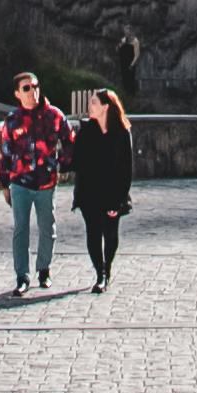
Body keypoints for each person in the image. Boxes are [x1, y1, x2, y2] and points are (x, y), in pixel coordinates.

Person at [0, 72, 69, 293]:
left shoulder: (54, 115)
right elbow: (5, 154)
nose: (33, 91)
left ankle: (44, 269)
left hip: (46, 183)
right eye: (26, 88)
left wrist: (62, 163)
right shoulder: (12, 120)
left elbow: (70, 140)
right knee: (21, 229)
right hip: (20, 183)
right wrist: (4, 183)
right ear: (18, 93)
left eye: (35, 86)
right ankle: (22, 276)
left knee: (48, 227)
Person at [69, 90, 136, 292]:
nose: (91, 106)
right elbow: (77, 162)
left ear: (106, 106)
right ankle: (100, 274)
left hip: (112, 192)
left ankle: (108, 267)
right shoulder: (86, 131)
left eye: (94, 103)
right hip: (90, 192)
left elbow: (126, 169)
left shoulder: (122, 133)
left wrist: (118, 199)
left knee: (110, 233)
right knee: (93, 234)